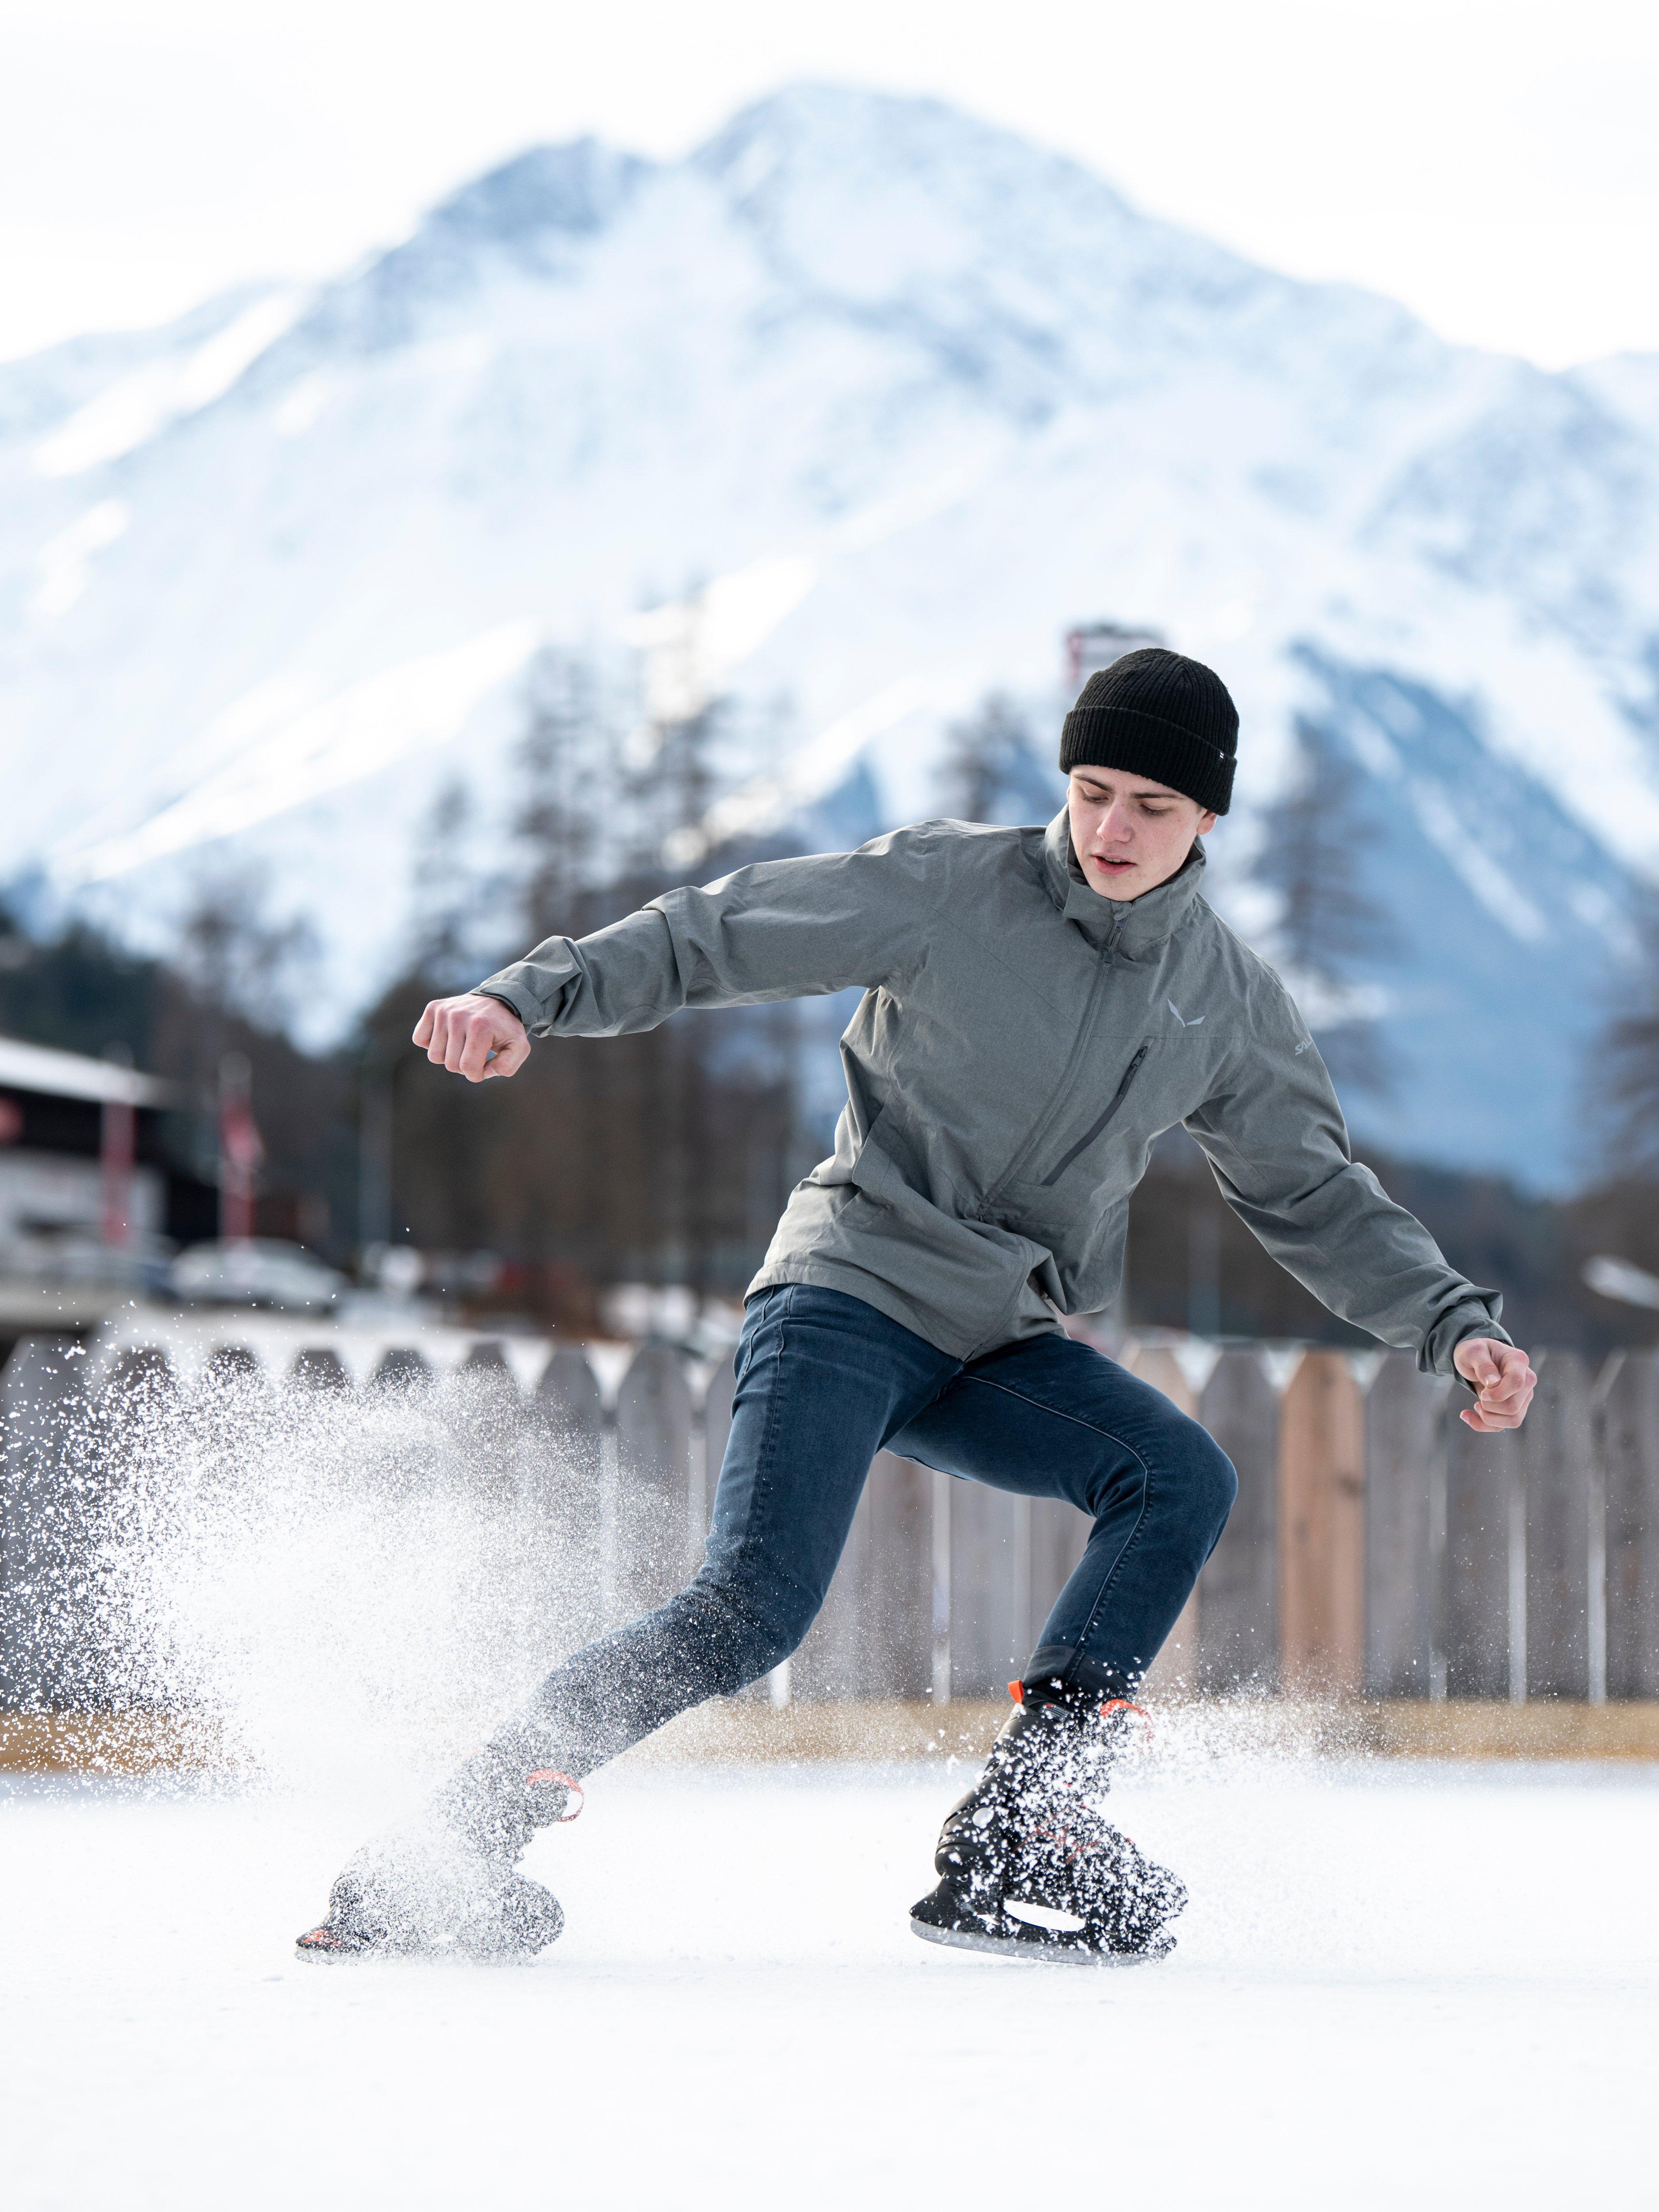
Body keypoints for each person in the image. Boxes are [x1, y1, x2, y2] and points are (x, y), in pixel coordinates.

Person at [296, 647, 1536, 1963]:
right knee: (750, 1611)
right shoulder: (955, 887)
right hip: (849, 1292)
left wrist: (1453, 1322)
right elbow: (723, 929)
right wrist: (527, 996)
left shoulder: (1225, 1001)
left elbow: (1314, 1193)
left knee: (1178, 1477)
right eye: (1092, 792)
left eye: (1152, 807)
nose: (1112, 831)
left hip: (999, 1338)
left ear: (1209, 819)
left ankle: (1024, 1822)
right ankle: (443, 1853)